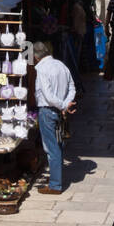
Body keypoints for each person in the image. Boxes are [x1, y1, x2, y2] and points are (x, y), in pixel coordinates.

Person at [33, 40, 77, 196]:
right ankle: (55, 178)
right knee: (57, 145)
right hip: (59, 112)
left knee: (52, 149)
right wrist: (65, 104)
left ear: (36, 57)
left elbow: (48, 96)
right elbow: (72, 87)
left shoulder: (42, 69)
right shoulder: (61, 65)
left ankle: (55, 185)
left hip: (48, 111)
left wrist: (62, 105)